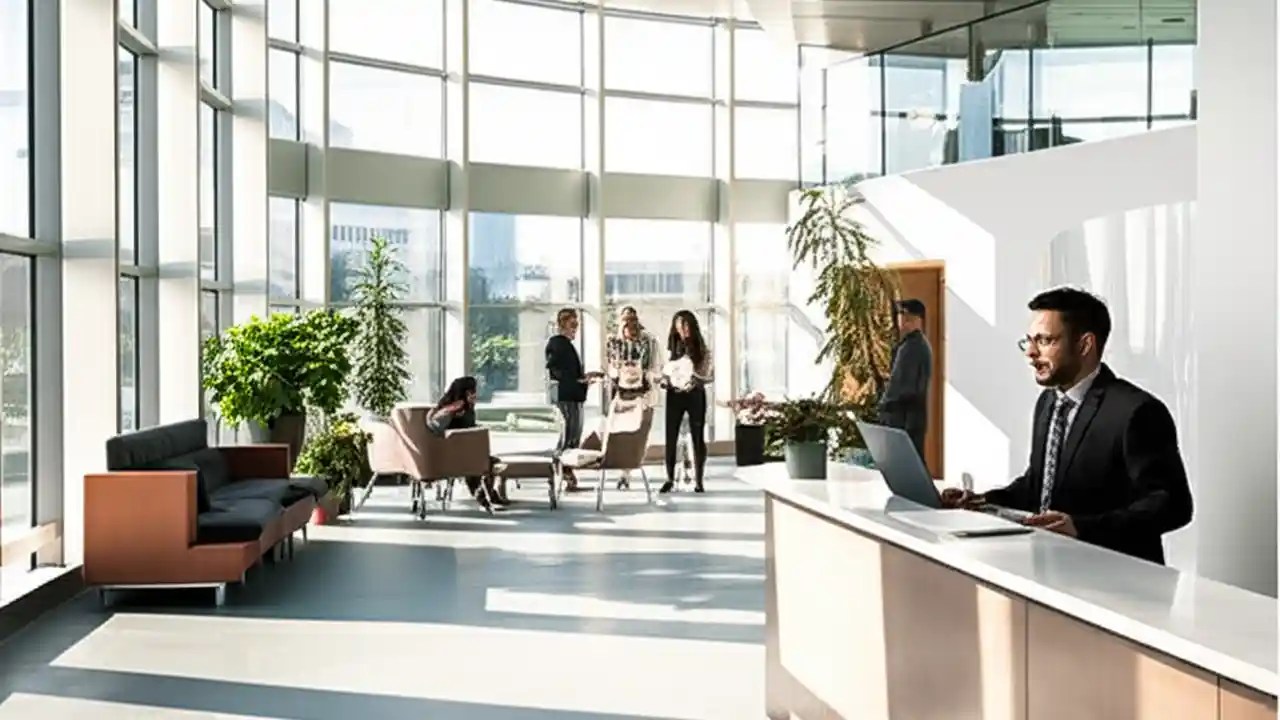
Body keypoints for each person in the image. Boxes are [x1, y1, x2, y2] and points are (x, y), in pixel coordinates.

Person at [941, 287, 1193, 565]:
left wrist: (1082, 527)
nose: (1031, 353)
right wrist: (981, 501)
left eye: (1045, 340)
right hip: (1053, 571)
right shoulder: (1047, 403)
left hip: (1120, 581)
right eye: (1029, 341)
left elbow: (1172, 505)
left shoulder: (1137, 411)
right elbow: (1039, 484)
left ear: (1085, 345)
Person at [426, 376, 506, 507]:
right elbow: (436, 425)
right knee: (480, 463)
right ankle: (485, 494)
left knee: (487, 461)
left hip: (464, 451)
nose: (475, 394)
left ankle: (486, 493)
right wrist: (451, 411)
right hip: (455, 454)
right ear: (466, 391)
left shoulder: (465, 408)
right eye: (472, 391)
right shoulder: (454, 408)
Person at [545, 308, 601, 491]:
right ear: (562, 324)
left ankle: (567, 475)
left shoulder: (565, 345)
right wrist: (578, 380)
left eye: (577, 324)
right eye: (572, 324)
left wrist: (583, 379)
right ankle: (559, 473)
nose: (575, 328)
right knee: (568, 437)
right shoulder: (557, 343)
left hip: (573, 396)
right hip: (567, 397)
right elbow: (555, 371)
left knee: (573, 437)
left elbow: (566, 371)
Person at [660, 310, 712, 494]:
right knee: (670, 436)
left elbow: (709, 374)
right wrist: (665, 381)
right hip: (674, 394)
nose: (684, 329)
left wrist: (696, 381)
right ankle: (669, 478)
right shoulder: (671, 349)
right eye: (680, 326)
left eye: (687, 325)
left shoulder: (701, 348)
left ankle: (698, 480)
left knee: (697, 436)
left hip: (695, 393)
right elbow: (664, 372)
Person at [606, 305, 658, 489]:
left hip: (641, 392)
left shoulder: (647, 340)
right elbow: (611, 366)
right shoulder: (613, 341)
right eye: (626, 320)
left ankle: (629, 468)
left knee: (638, 432)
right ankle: (623, 470)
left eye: (633, 320)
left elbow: (651, 366)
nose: (630, 324)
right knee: (620, 431)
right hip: (621, 391)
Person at [879, 298, 933, 460]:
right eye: (900, 314)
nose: (902, 319)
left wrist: (884, 404)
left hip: (905, 421)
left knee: (908, 468)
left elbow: (902, 386)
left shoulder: (913, 347)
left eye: (907, 315)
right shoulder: (910, 344)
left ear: (918, 320)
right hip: (906, 420)